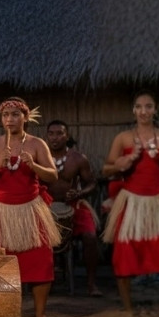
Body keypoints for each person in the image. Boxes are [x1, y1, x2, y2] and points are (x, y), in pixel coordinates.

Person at [0, 98, 61, 317]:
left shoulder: (37, 144)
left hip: (31, 211)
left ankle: (39, 316)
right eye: (6, 115)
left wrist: (34, 165)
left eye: (15, 114)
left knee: (41, 260)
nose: (10, 119)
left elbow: (53, 176)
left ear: (25, 117)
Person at [101, 91, 159, 317]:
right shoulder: (123, 138)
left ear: (155, 109)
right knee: (124, 255)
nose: (144, 111)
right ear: (133, 110)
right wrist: (123, 163)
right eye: (139, 107)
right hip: (131, 201)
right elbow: (106, 169)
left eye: (148, 106)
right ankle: (129, 311)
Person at [45, 120, 102, 296]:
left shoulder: (78, 159)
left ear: (67, 136)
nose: (55, 137)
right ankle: (42, 279)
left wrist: (79, 193)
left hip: (75, 206)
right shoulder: (40, 157)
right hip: (45, 209)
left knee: (90, 237)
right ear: (47, 136)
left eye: (60, 133)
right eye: (51, 133)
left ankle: (91, 284)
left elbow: (93, 184)